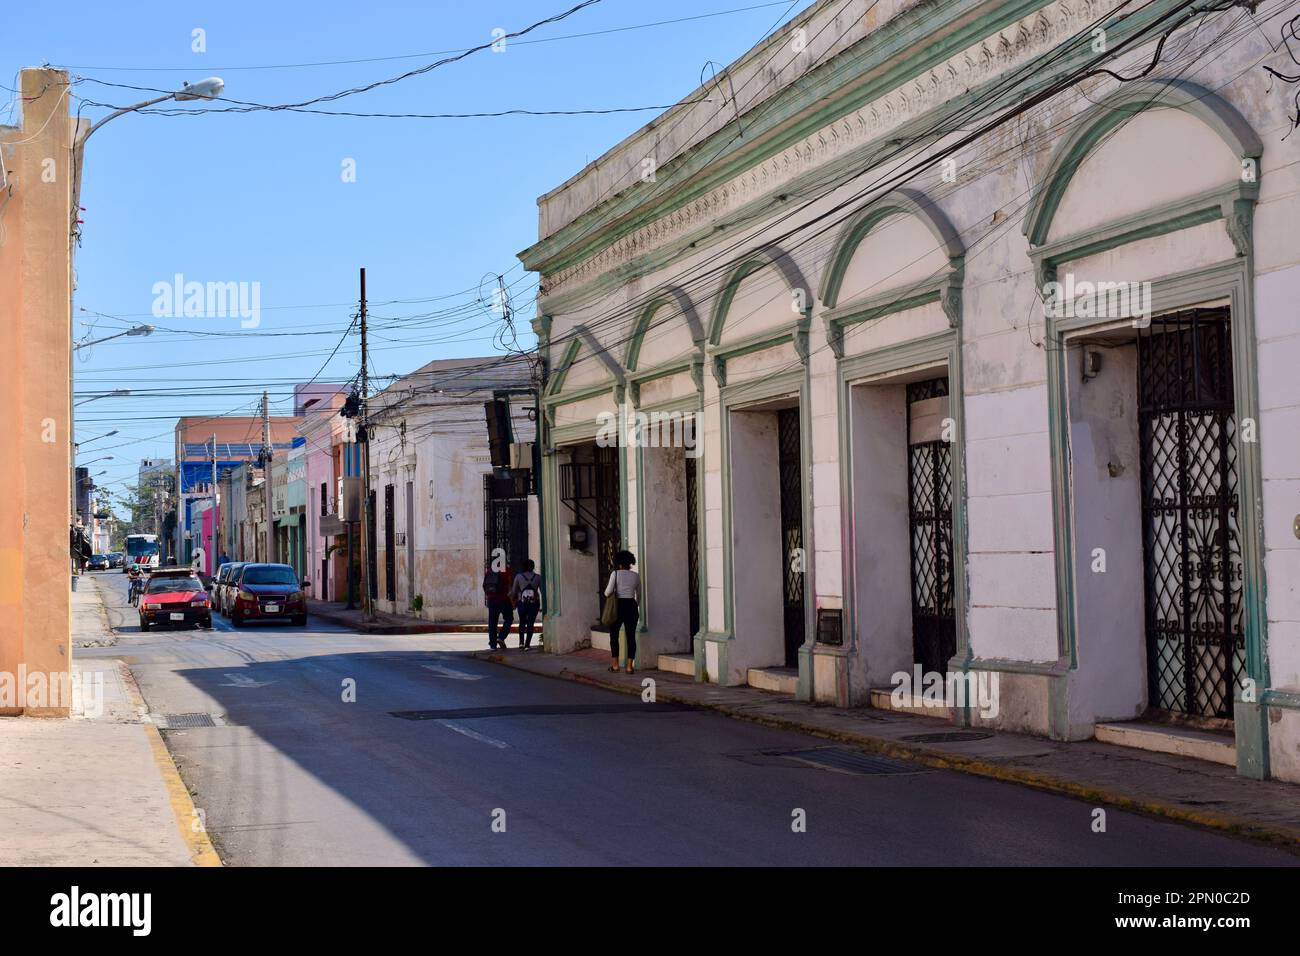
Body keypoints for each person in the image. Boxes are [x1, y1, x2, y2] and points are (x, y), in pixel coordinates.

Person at [604, 550, 640, 674]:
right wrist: (635, 605)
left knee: (614, 636)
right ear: (630, 563)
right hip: (631, 605)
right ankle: (630, 666)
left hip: (618, 606)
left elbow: (608, 592)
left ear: (619, 563)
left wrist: (607, 594)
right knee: (631, 636)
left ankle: (615, 665)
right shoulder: (635, 575)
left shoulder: (615, 574)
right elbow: (638, 596)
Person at [510, 560, 543, 651]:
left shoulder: (519, 577)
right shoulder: (538, 577)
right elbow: (542, 591)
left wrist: (513, 600)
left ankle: (521, 642)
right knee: (530, 624)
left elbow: (513, 592)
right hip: (534, 603)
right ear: (533, 567)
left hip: (522, 603)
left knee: (522, 622)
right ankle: (527, 645)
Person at [482, 561, 514, 651]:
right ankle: (501, 637)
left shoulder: (489, 571)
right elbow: (510, 585)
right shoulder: (506, 570)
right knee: (509, 618)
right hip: (503, 598)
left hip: (492, 600)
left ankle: (493, 645)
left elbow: (484, 585)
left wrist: (489, 595)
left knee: (492, 622)